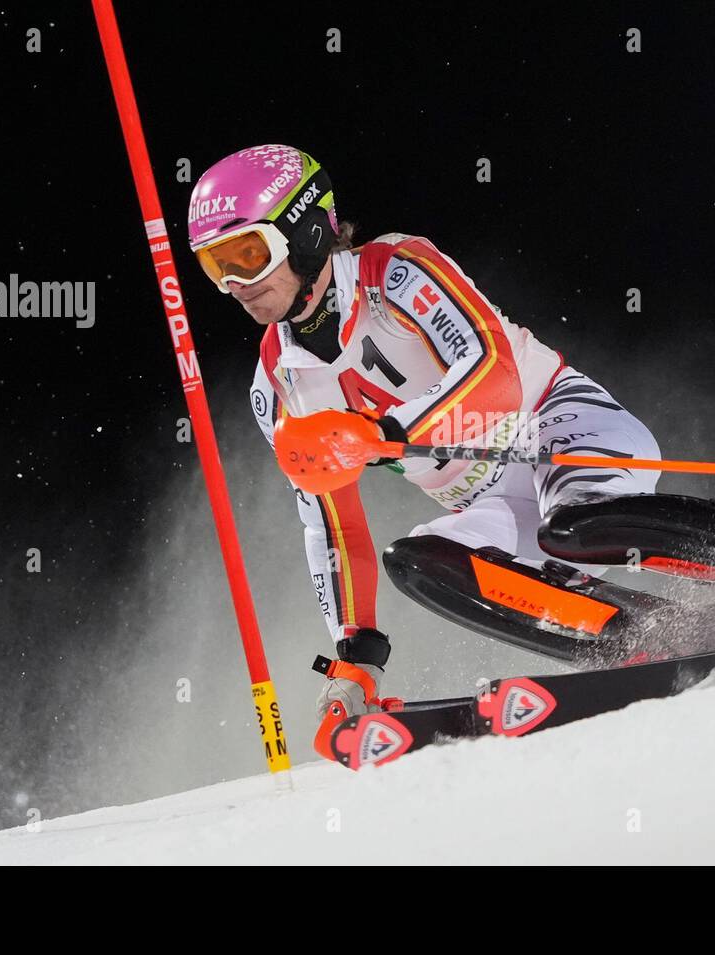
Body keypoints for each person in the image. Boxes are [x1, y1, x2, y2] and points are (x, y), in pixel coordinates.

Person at [187, 145, 666, 754]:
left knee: (575, 527)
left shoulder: (397, 273)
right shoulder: (278, 382)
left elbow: (496, 375)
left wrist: (387, 434)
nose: (234, 286)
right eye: (215, 267)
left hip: (559, 431)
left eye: (248, 257)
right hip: (493, 502)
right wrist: (356, 653)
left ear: (305, 231)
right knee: (417, 560)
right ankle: (641, 639)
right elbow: (334, 528)